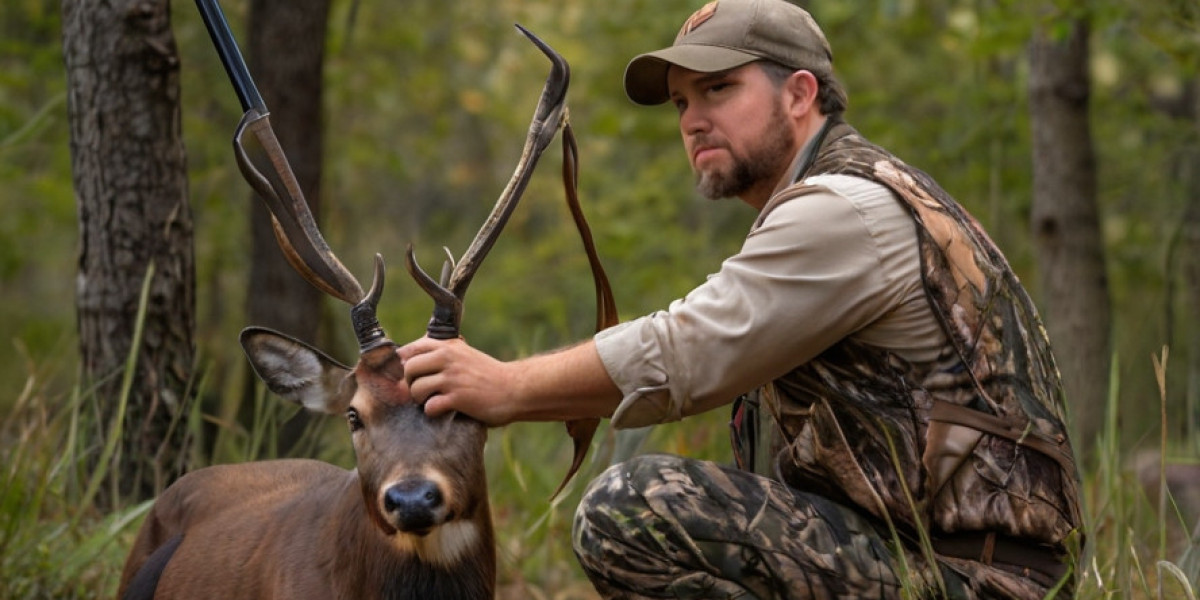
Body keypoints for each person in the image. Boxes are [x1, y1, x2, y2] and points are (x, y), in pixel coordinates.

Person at [398, 0, 1085, 597]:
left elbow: (687, 350)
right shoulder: (844, 198)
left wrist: (505, 387)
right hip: (934, 558)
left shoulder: (845, 211)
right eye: (681, 102)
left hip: (980, 579)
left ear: (799, 94)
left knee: (633, 509)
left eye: (718, 89)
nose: (693, 119)